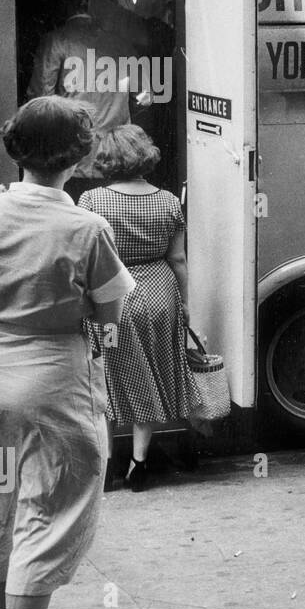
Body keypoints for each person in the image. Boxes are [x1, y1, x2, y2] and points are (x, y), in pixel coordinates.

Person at [0, 96, 134, 609]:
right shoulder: (87, 229)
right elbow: (111, 315)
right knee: (49, 511)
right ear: (78, 156)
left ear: (15, 150)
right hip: (54, 385)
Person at [78, 125, 190, 493]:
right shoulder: (170, 201)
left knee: (107, 380)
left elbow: (83, 260)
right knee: (150, 378)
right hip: (161, 295)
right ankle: (138, 464)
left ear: (107, 158)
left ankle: (106, 467)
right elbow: (178, 259)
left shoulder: (92, 201)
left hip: (113, 299)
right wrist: (185, 304)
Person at [26, 0, 144, 203]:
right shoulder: (122, 43)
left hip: (73, 154)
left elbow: (41, 97)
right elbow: (143, 95)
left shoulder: (56, 41)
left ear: (64, 9)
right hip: (117, 151)